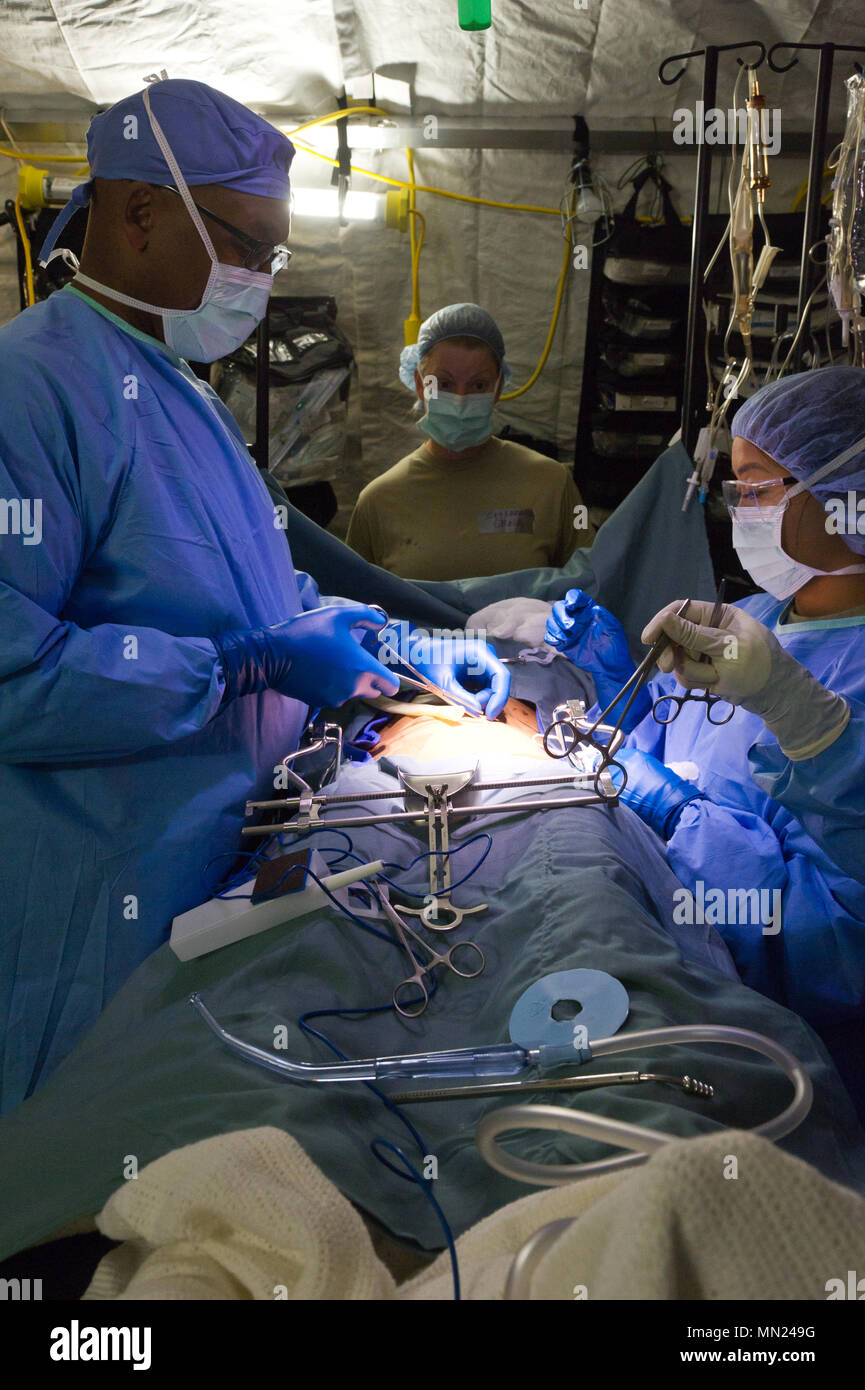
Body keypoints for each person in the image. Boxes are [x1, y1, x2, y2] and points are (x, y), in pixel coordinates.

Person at [0, 79, 508, 1116]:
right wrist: (249, 665)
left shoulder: (179, 392)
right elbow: (15, 676)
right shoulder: (30, 390)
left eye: (271, 258)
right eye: (246, 246)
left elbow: (244, 580)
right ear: (139, 213)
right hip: (93, 903)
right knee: (75, 1173)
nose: (260, 282)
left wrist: (388, 641)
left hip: (212, 870)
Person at [545, 366, 865, 1106]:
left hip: (785, 1058)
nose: (738, 512)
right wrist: (617, 681)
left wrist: (680, 818)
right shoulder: (763, 615)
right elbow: (677, 747)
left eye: (757, 488)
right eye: (735, 489)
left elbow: (832, 944)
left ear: (846, 496)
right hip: (666, 943)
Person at [346, 303, 594, 579]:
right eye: (444, 384)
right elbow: (352, 596)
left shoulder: (554, 485)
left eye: (478, 385)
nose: (460, 400)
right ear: (420, 384)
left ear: (498, 388)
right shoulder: (377, 501)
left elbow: (592, 575)